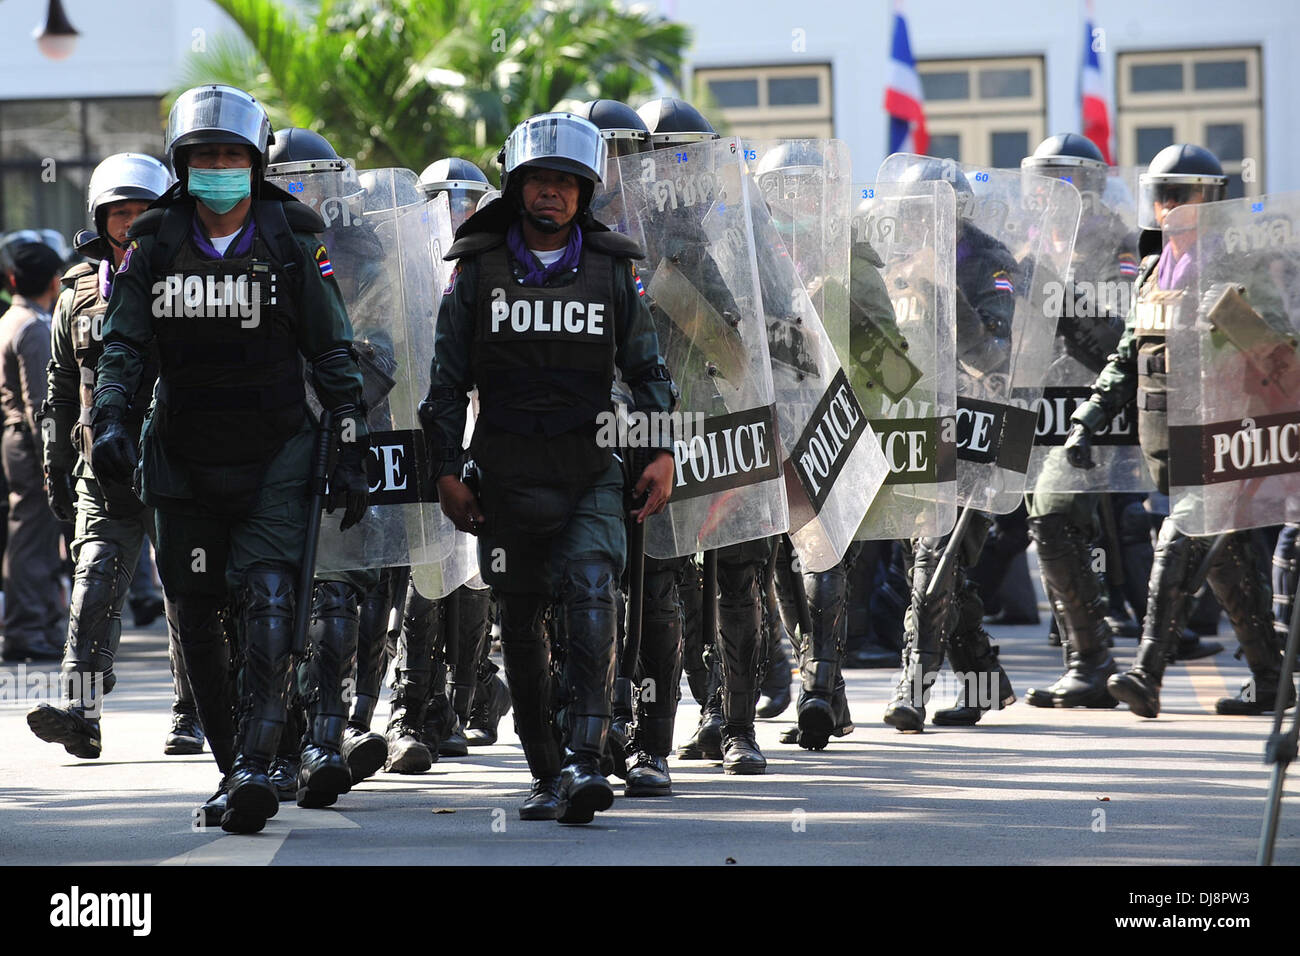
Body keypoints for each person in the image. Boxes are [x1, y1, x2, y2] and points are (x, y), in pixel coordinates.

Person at [88, 85, 369, 832]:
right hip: (182, 456)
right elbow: (123, 346)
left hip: (277, 450)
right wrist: (111, 418)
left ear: (254, 162)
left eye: (231, 155)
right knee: (197, 615)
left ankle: (255, 764)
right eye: (203, 156)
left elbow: (330, 346)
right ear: (183, 165)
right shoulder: (153, 241)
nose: (218, 167)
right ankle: (230, 766)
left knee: (274, 600)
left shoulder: (291, 237)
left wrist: (348, 434)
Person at [420, 111, 675, 824]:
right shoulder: (476, 271)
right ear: (518, 185)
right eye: (541, 179)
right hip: (502, 472)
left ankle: (588, 761)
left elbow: (649, 371)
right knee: (522, 620)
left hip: (591, 467)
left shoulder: (612, 269)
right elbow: (443, 385)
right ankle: (544, 770)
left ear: (585, 191)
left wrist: (660, 452)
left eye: (567, 182)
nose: (553, 194)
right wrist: (445, 471)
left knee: (596, 594)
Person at [1066, 143, 1294, 718]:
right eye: (1159, 195)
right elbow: (1127, 357)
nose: (1167, 207)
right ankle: (1271, 678)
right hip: (1172, 440)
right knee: (1226, 561)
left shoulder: (1237, 266)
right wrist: (1087, 420)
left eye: (1179, 195)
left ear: (1210, 199)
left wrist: (1233, 316)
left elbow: (1281, 356)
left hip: (1227, 437)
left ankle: (1147, 671)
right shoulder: (1151, 271)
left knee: (1179, 536)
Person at [26, 152, 206, 759]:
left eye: (142, 213)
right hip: (101, 466)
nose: (130, 225)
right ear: (99, 219)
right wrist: (56, 469)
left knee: (189, 586)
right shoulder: (76, 291)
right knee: (95, 576)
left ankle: (194, 713)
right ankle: (81, 710)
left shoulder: (193, 278)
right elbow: (56, 389)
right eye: (118, 214)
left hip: (182, 463)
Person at [0, 239, 67, 663]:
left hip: (15, 438)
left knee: (30, 532)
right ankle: (26, 629)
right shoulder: (35, 327)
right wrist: (52, 457)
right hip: (30, 441)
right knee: (33, 536)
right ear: (55, 281)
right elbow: (41, 404)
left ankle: (36, 624)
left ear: (12, 281)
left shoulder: (11, 318)